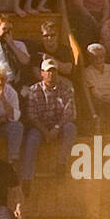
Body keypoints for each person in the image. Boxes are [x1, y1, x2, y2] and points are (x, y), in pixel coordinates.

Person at [20, 58, 77, 195]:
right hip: (40, 127)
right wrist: (46, 132)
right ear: (42, 73)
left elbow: (69, 112)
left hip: (59, 125)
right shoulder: (33, 90)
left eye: (54, 71)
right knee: (32, 138)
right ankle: (27, 178)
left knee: (70, 128)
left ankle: (61, 164)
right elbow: (32, 116)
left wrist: (56, 128)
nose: (51, 74)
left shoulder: (66, 89)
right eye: (48, 72)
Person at [0, 15, 32, 86]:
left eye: (9, 29)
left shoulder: (20, 45)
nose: (7, 32)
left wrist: (12, 45)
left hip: (18, 82)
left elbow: (25, 61)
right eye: (4, 29)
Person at [84, 44, 110, 131]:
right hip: (100, 102)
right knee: (108, 107)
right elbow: (96, 93)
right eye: (95, 58)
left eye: (101, 57)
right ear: (90, 59)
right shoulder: (87, 72)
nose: (98, 60)